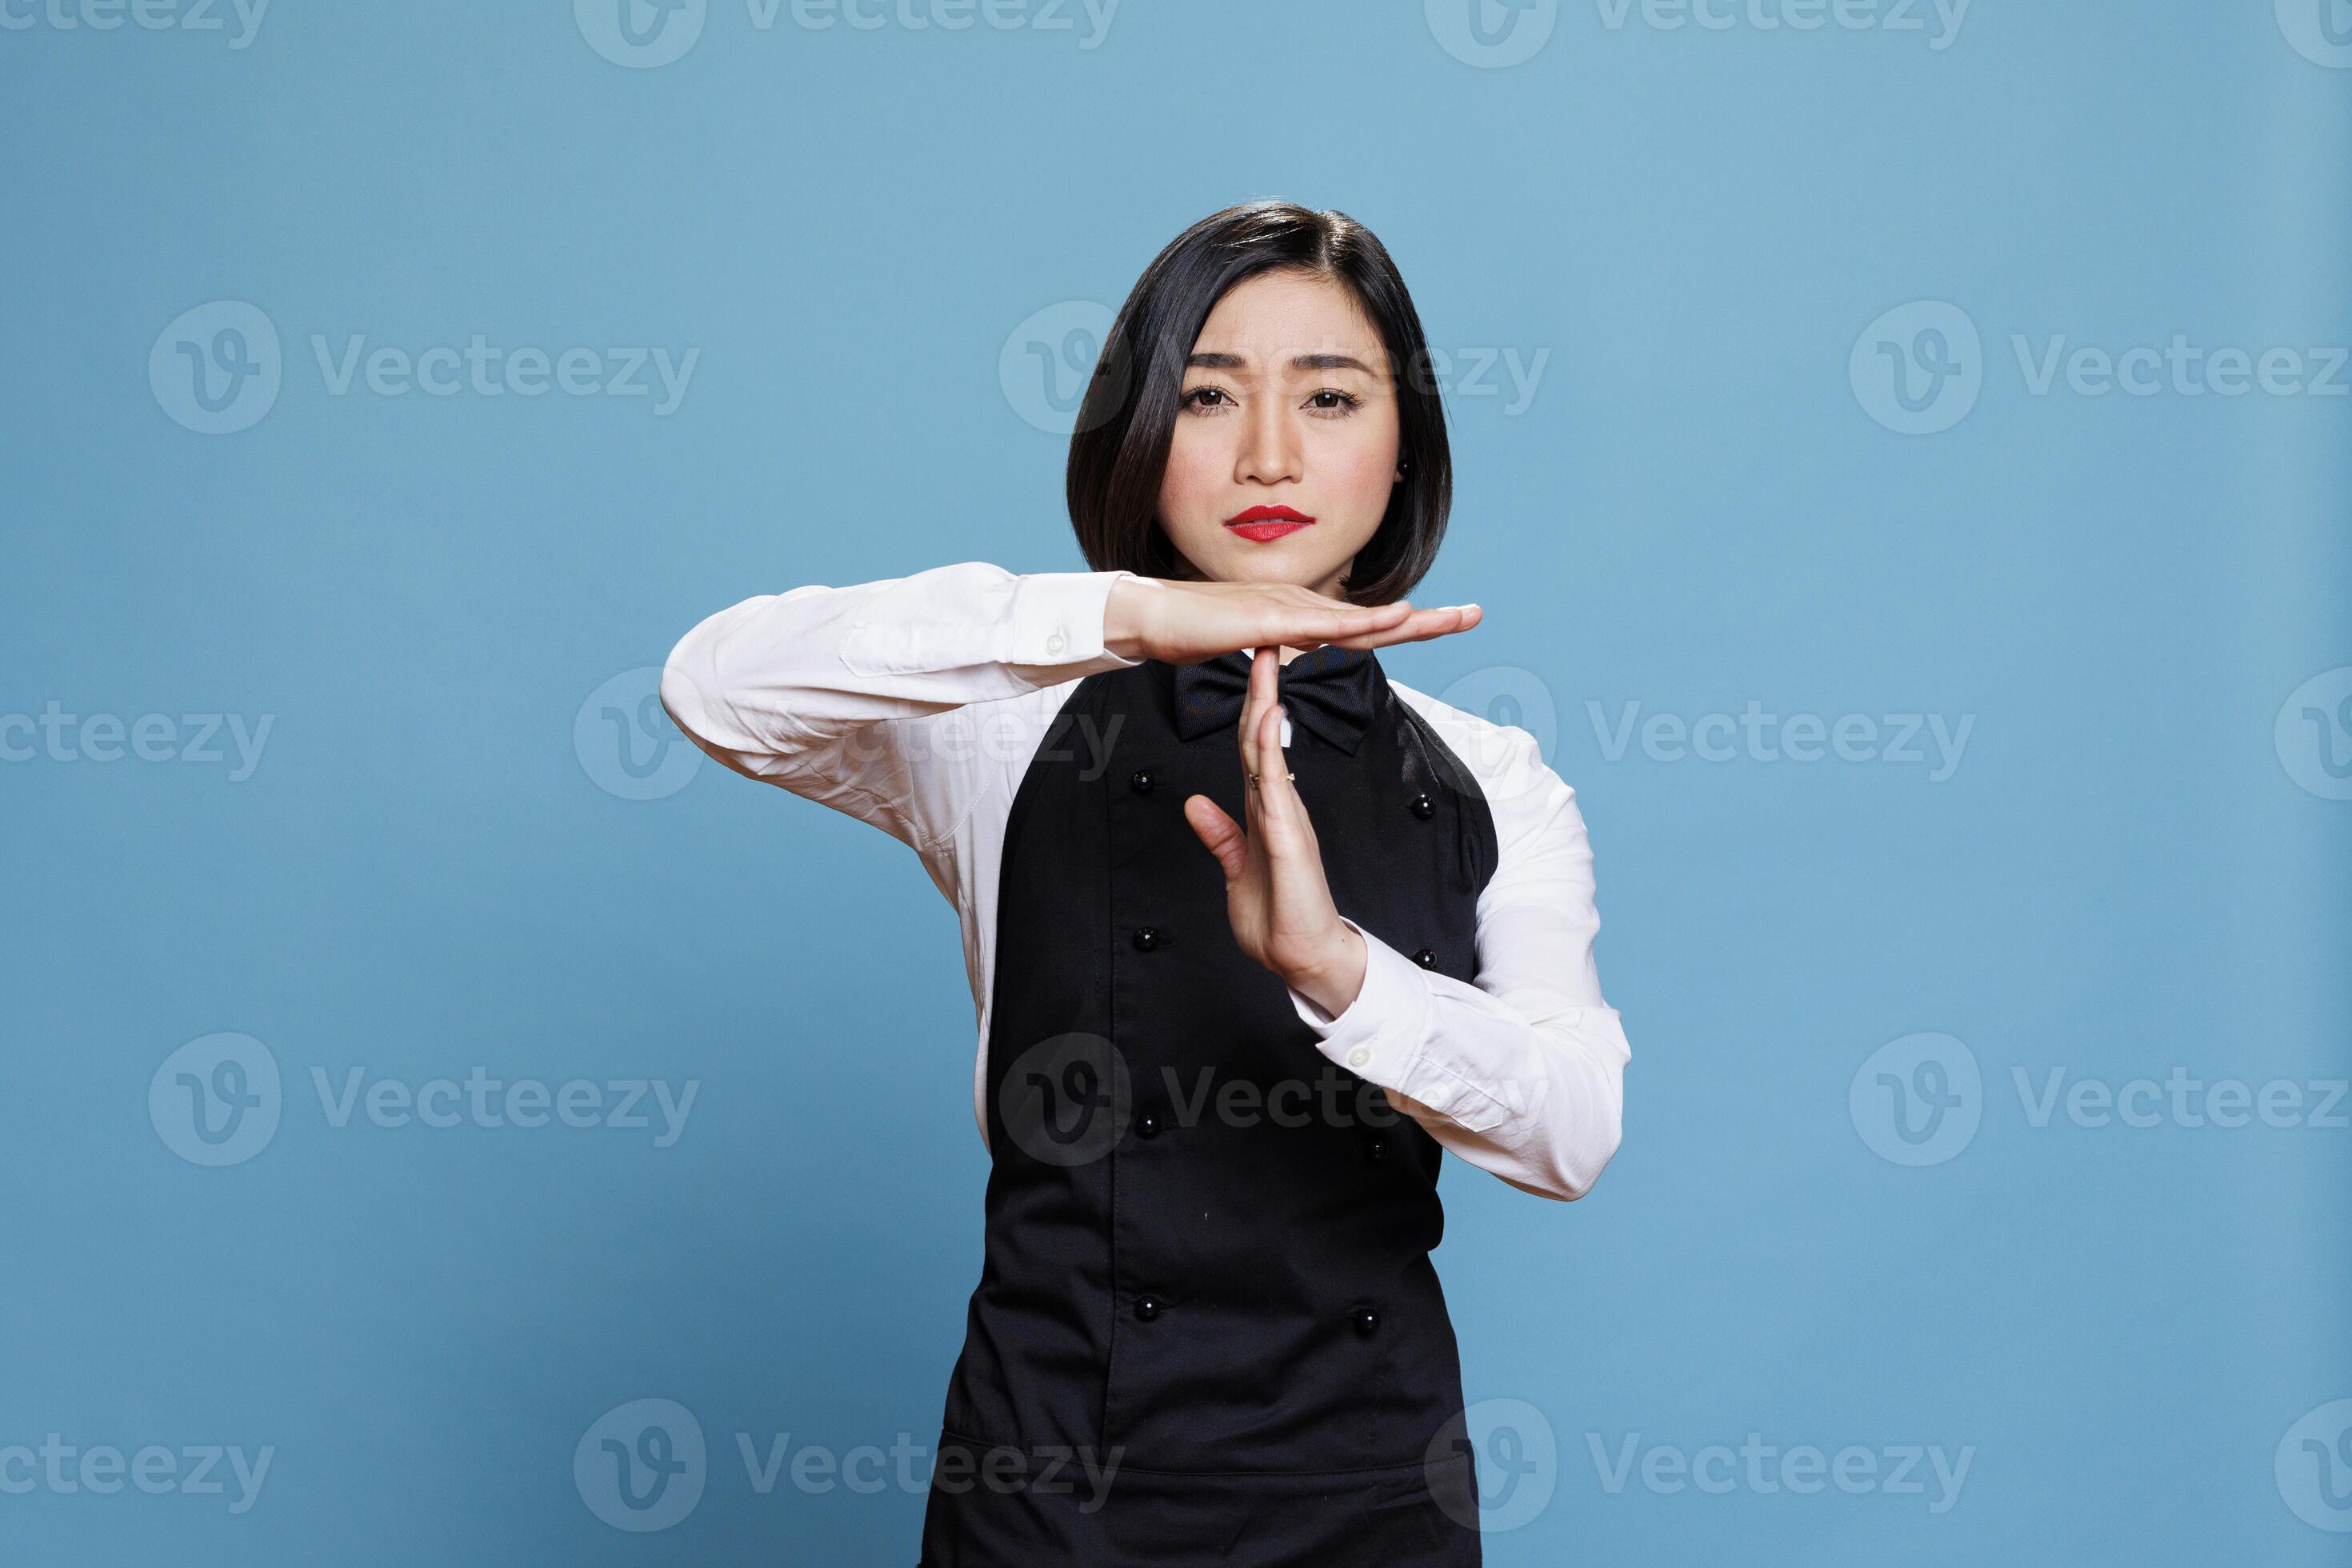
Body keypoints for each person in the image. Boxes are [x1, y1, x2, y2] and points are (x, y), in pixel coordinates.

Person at [661, 199, 1630, 1565]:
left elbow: (1572, 1131)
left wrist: (1339, 972)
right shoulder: (999, 724)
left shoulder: (1494, 779)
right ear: (1139, 438)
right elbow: (714, 688)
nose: (1271, 454)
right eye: (1207, 397)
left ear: (1406, 447)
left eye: (1332, 397)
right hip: (1046, 1498)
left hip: (1374, 1493)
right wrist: (1116, 614)